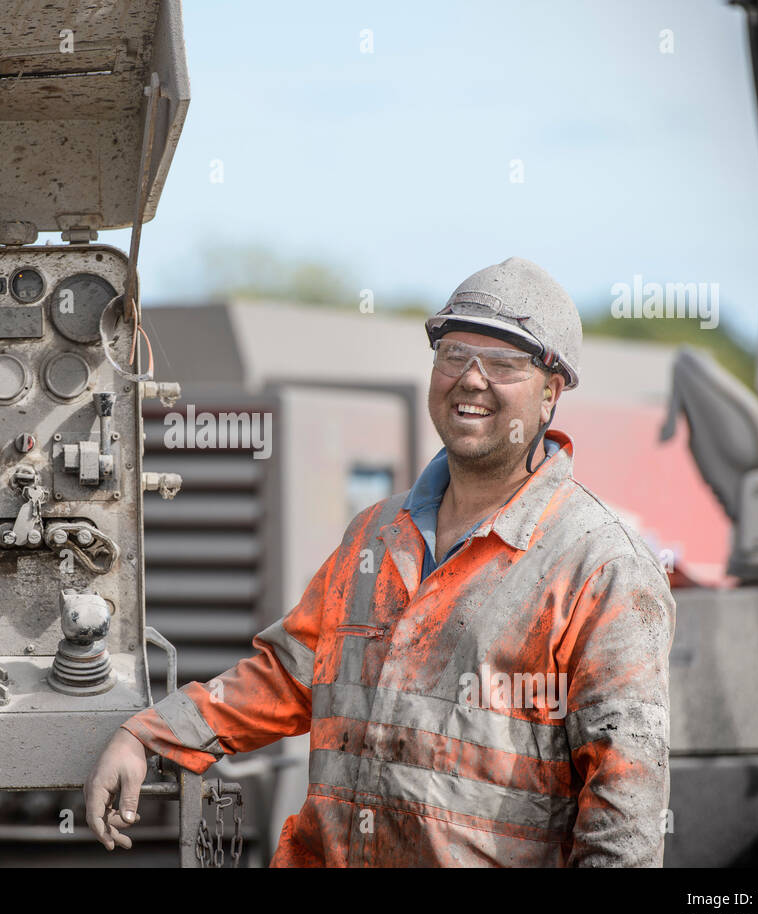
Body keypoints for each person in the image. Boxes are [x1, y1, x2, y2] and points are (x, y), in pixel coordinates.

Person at [84, 257, 676, 866]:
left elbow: (623, 805)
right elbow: (291, 674)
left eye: (502, 364)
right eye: (453, 355)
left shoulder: (602, 567)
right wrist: (151, 732)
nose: (472, 379)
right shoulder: (375, 535)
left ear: (550, 393)